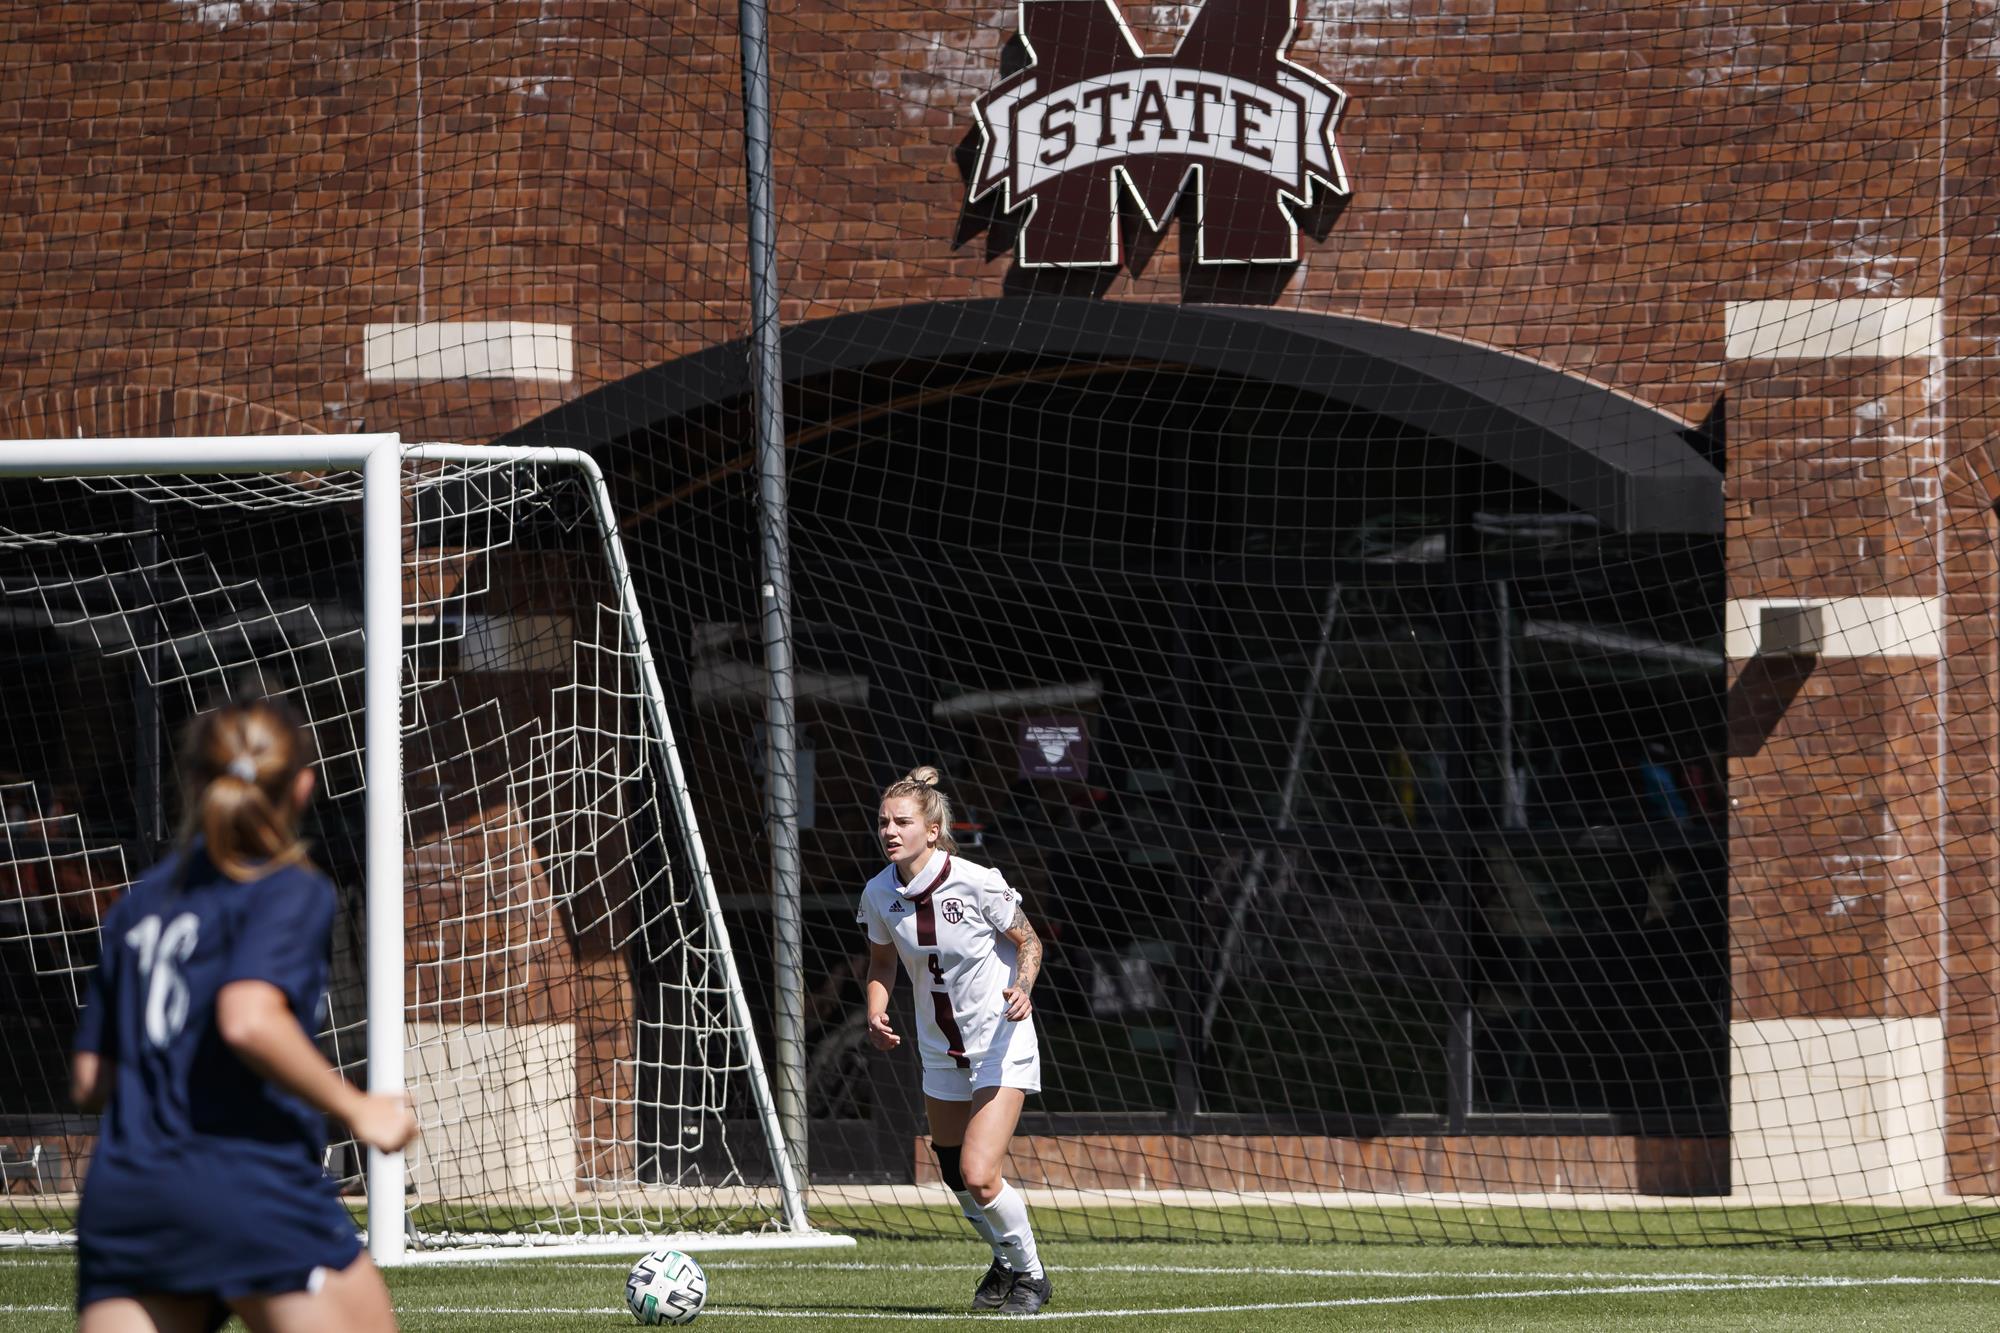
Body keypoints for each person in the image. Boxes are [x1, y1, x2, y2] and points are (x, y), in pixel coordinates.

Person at [69, 698, 419, 1333]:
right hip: (245, 1184)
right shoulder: (288, 887)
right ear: (305, 785)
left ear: (194, 783)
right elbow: (248, 1018)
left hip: (127, 1196)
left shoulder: (137, 906)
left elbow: (90, 1080)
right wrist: (359, 1108)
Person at [857, 767, 1053, 1316]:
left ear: (934, 828)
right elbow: (881, 961)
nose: (890, 831)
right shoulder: (878, 892)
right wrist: (876, 1012)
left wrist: (1022, 986)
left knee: (978, 1173)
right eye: (883, 822)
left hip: (1000, 1043)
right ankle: (1005, 1260)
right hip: (940, 1051)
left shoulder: (977, 880)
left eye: (902, 821)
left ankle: (1032, 1277)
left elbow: (1030, 940)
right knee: (950, 1169)